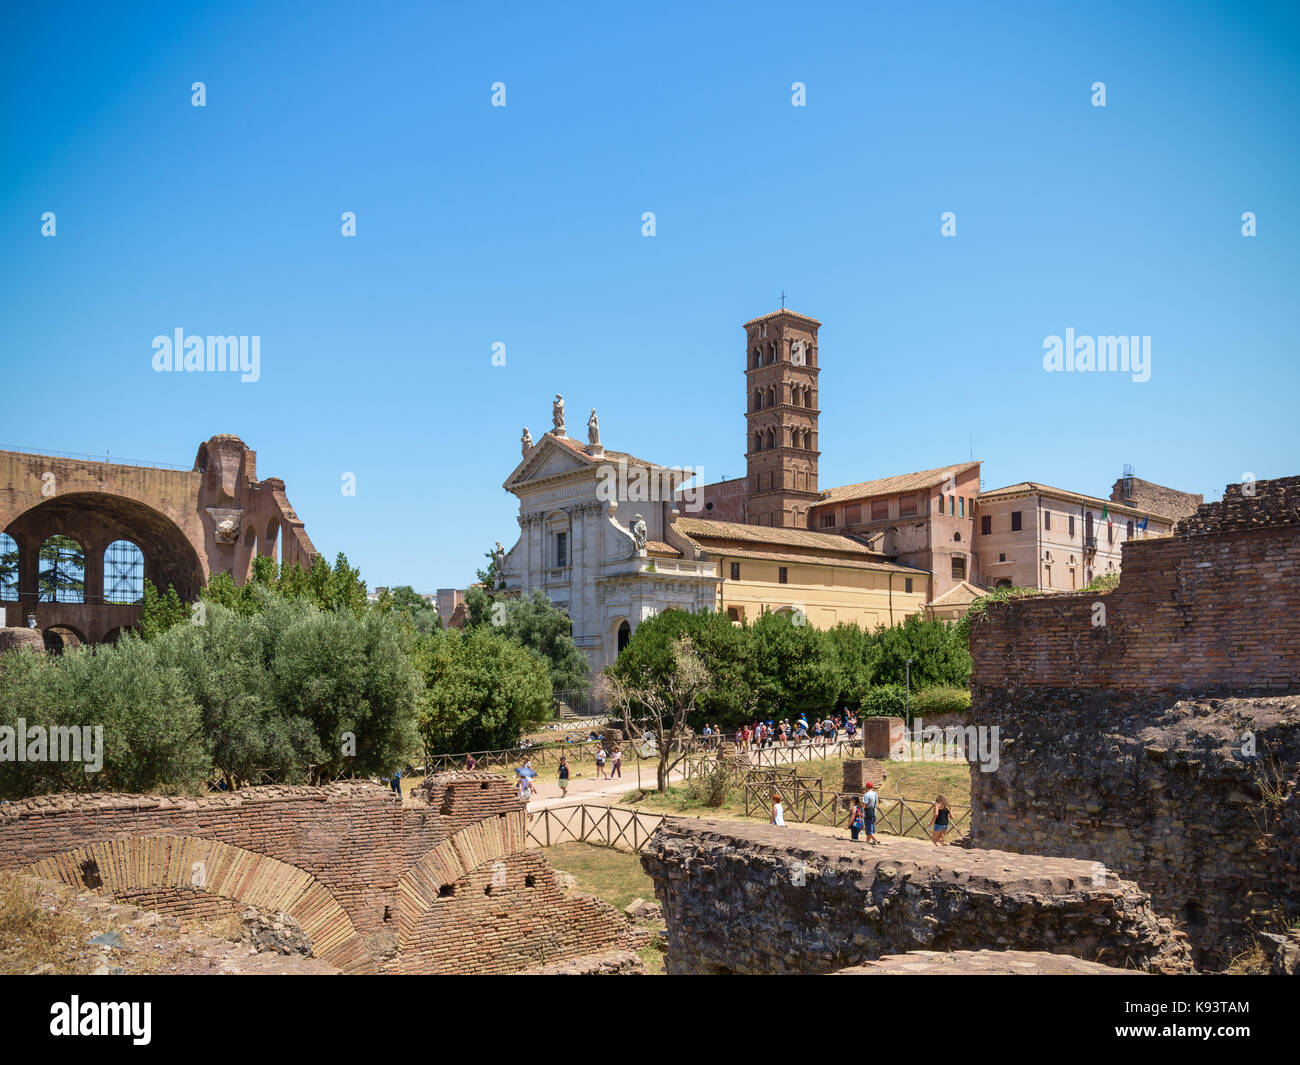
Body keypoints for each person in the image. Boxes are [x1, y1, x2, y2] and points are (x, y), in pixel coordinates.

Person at [862, 780, 879, 845]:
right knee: (870, 829)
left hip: (868, 814)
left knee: (869, 831)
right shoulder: (875, 794)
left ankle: (877, 841)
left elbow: (865, 805)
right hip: (874, 812)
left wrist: (862, 810)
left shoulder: (866, 795)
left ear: (867, 787)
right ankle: (867, 842)